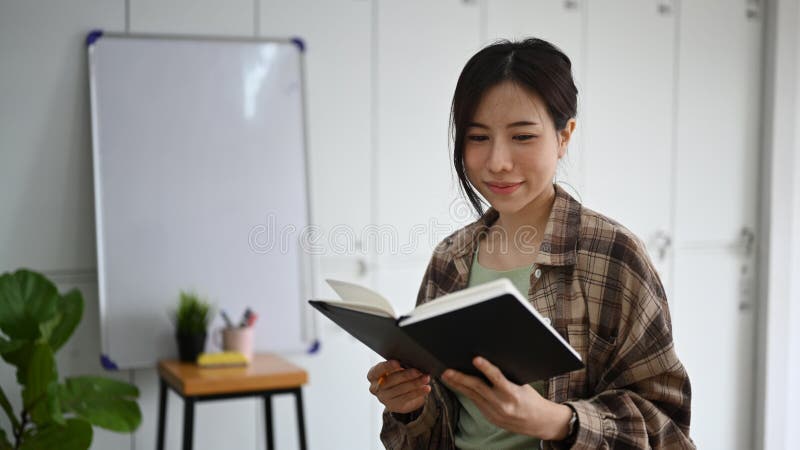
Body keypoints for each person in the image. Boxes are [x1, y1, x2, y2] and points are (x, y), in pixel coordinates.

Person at [366, 38, 695, 449]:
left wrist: (559, 422)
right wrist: (409, 407)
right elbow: (430, 436)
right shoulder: (450, 261)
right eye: (478, 137)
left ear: (564, 136)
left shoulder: (614, 256)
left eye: (522, 137)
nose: (498, 161)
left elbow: (668, 428)